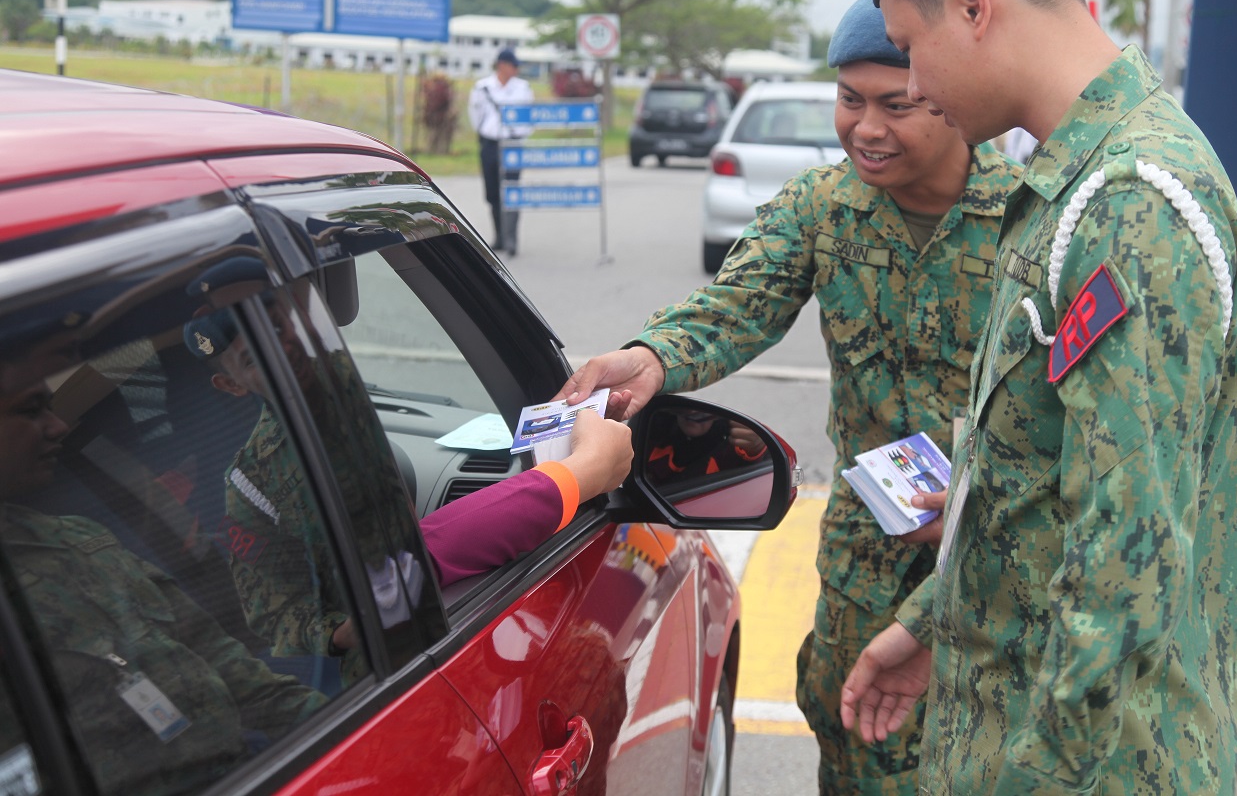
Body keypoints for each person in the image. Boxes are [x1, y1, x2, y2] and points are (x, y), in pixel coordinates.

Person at [838, 0, 1237, 796]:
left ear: (973, 3)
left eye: (909, 49)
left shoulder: (1131, 203)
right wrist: (935, 620)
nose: (914, 84)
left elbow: (1123, 574)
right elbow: (1043, 484)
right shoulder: (1077, 184)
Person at [557, 0, 1022, 795]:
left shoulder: (1029, 217)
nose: (866, 128)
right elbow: (738, 302)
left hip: (1004, 552)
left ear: (951, 97)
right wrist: (653, 357)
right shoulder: (823, 208)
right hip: (869, 554)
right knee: (857, 745)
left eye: (896, 105)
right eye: (850, 100)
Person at [186, 261, 633, 679]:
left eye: (277, 328)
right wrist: (342, 632)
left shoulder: (337, 378)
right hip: (382, 661)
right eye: (252, 359)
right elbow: (274, 615)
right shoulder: (250, 482)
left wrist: (565, 438)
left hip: (423, 598)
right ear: (230, 384)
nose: (281, 352)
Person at [0, 337, 327, 796]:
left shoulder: (77, 538)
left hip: (251, 765)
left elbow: (228, 666)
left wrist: (339, 728)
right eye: (30, 410)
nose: (58, 426)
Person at [468, 47, 534, 256]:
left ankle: (511, 239)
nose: (516, 69)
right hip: (490, 143)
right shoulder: (482, 87)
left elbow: (528, 117)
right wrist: (483, 132)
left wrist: (519, 136)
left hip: (512, 144)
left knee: (511, 191)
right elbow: (475, 114)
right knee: (492, 192)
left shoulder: (523, 88)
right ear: (501, 65)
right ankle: (500, 237)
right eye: (513, 65)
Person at [643, 408, 768, 483]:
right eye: (686, 405)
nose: (692, 411)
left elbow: (750, 462)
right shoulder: (651, 433)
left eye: (702, 411)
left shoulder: (730, 448)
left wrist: (756, 447)